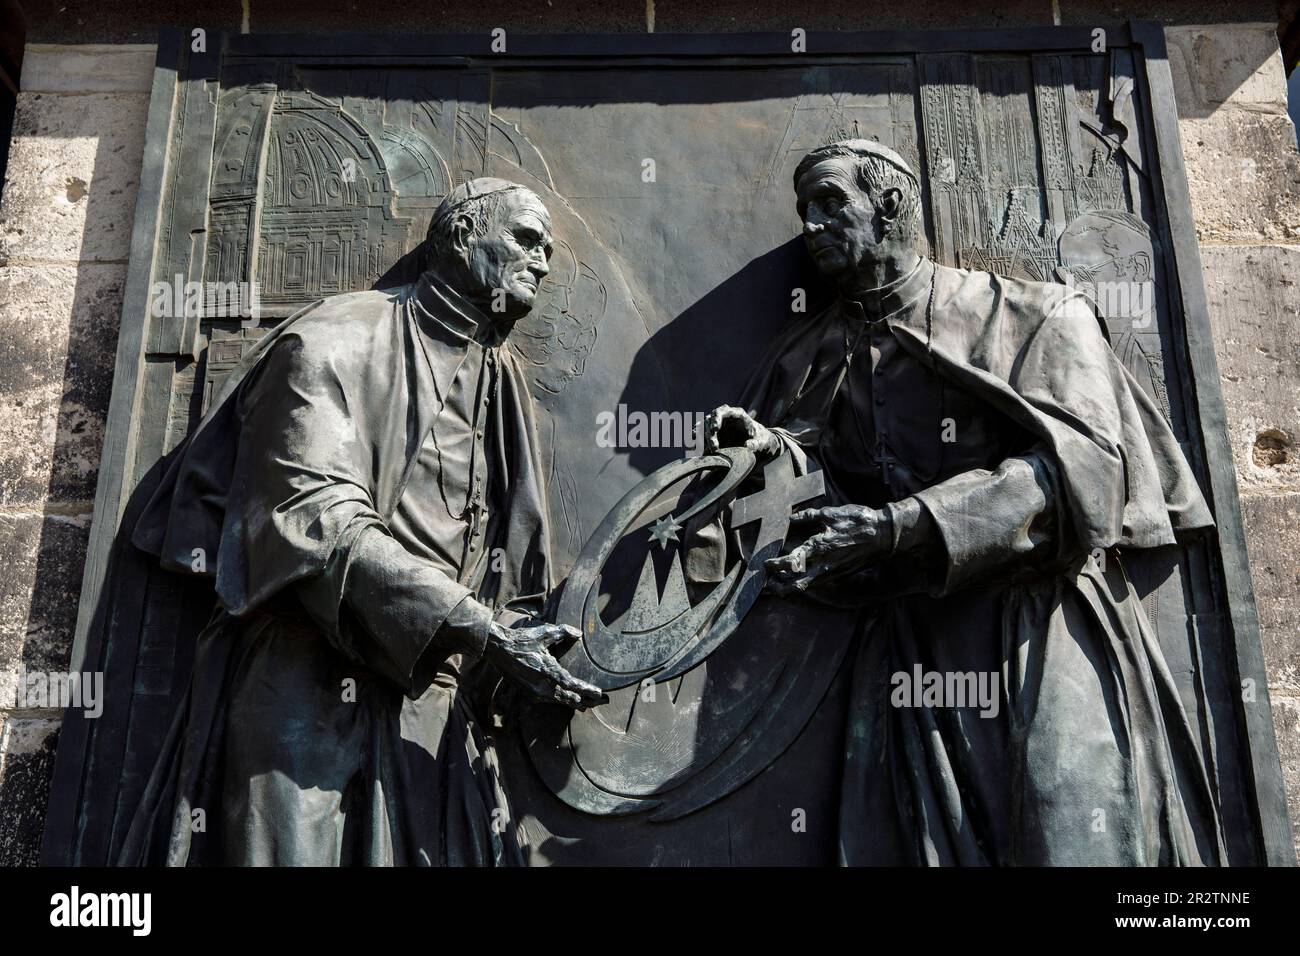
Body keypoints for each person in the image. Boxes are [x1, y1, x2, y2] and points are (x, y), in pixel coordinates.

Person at [704, 140, 1225, 865]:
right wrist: (764, 456)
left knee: (1072, 838)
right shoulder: (810, 355)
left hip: (1040, 628)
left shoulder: (1035, 315)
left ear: (891, 204)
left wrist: (901, 525)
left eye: (830, 203)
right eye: (803, 210)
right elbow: (818, 481)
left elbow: (1085, 476)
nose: (811, 225)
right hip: (911, 645)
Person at [122, 178, 603, 866]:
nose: (544, 260)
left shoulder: (498, 378)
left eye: (550, 249)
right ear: (463, 236)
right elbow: (312, 522)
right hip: (304, 687)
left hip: (429, 706)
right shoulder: (330, 342)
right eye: (526, 238)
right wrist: (482, 629)